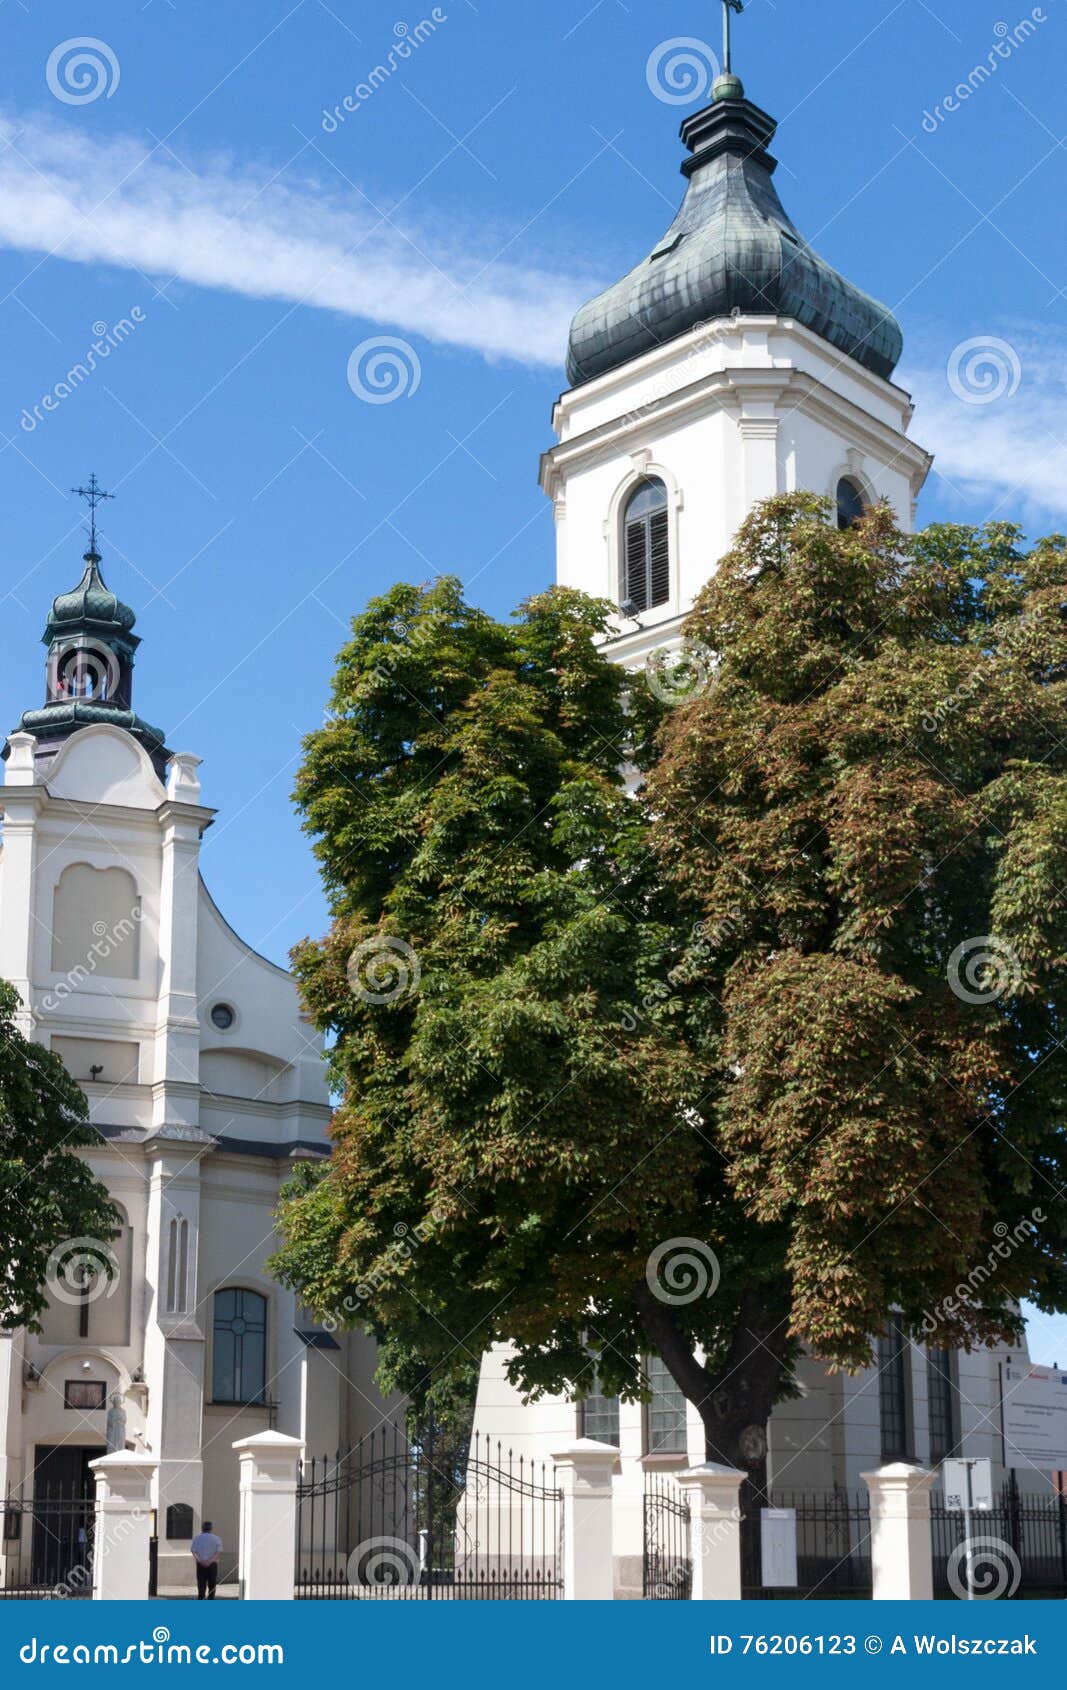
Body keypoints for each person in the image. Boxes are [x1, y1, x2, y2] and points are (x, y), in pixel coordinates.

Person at [190, 1521, 222, 1599]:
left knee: (201, 1585)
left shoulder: (197, 1538)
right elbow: (218, 1552)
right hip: (212, 1564)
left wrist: (200, 1561)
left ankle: (201, 1599)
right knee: (212, 1585)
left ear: (202, 1528)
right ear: (211, 1528)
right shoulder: (216, 1538)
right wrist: (209, 1561)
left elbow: (193, 1551)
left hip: (200, 1565)